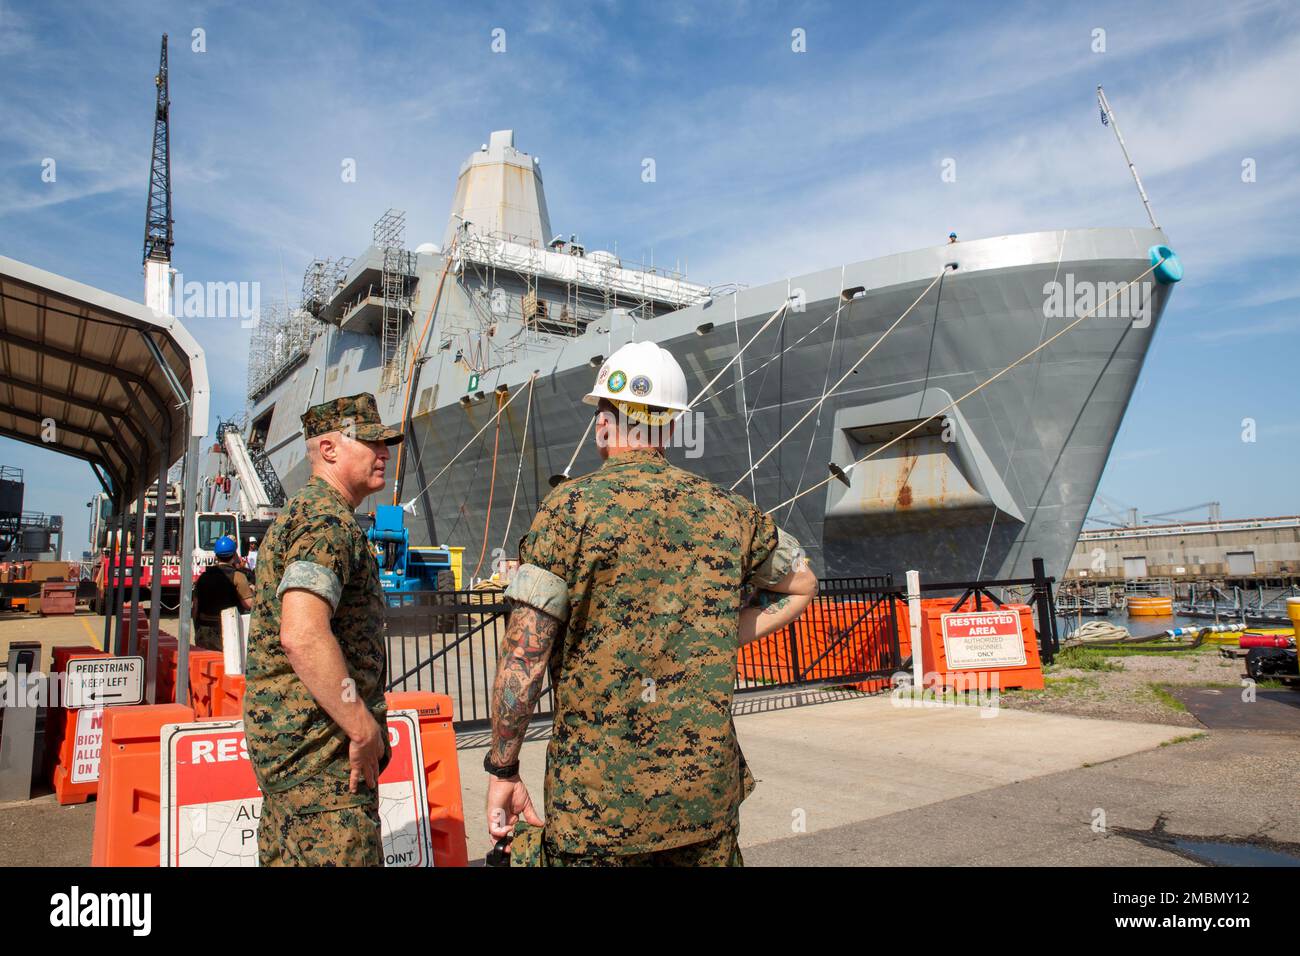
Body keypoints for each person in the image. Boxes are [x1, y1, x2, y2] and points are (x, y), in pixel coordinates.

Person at [485, 341, 818, 866]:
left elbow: (524, 656)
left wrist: (503, 769)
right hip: (704, 802)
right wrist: (720, 632)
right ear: (670, 425)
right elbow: (802, 585)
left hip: (597, 808)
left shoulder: (568, 510)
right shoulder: (730, 512)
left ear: (602, 423)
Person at [242, 393, 402, 867]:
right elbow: (302, 633)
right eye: (371, 442)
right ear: (329, 449)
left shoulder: (303, 514)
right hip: (324, 771)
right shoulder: (327, 522)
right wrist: (361, 727)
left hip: (294, 765)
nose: (384, 452)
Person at [191, 535, 252, 651]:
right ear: (234, 555)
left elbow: (195, 609)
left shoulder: (203, 577)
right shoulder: (238, 576)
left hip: (204, 632)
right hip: (228, 632)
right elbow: (248, 604)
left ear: (215, 555)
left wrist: (198, 629)